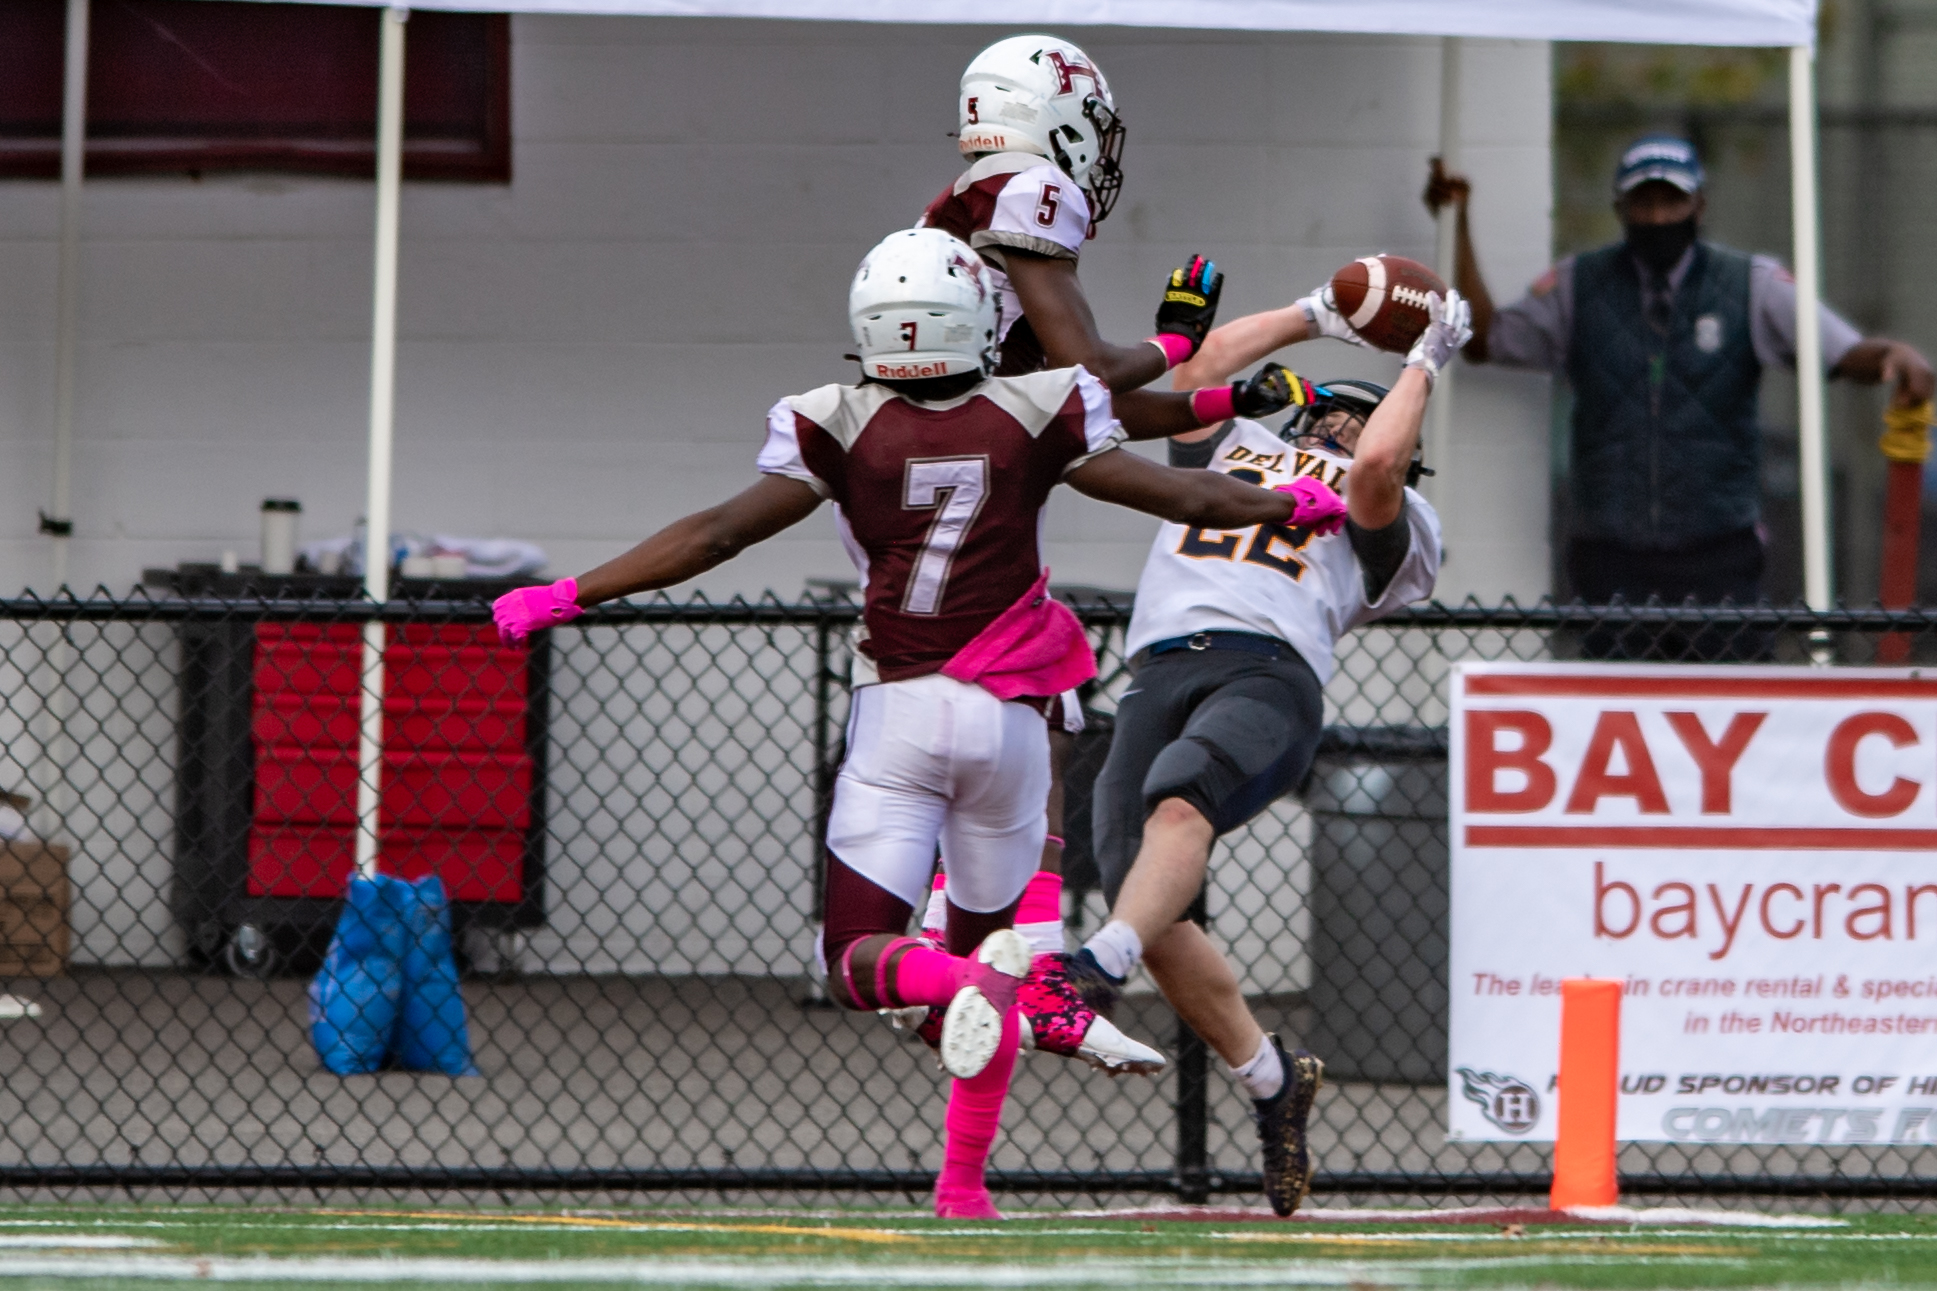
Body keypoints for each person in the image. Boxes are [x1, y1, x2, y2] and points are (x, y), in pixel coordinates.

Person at [490, 227, 1339, 1220]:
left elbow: (715, 532)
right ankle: (962, 1183)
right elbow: (1174, 488)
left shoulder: (835, 422)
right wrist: (1281, 504)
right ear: (975, 320)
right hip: (1013, 728)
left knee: (853, 958)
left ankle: (971, 995)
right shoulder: (1036, 405)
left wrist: (571, 592)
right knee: (986, 969)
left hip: (901, 712)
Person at [906, 32, 1299, 1075]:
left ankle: (981, 962)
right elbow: (1086, 372)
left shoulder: (965, 208)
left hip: (946, 473)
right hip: (979, 486)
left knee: (1040, 715)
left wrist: (1217, 398)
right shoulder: (1031, 188)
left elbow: (1083, 407)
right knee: (1035, 710)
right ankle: (970, 964)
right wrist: (1177, 343)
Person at [1064, 287, 1470, 1217]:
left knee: (1179, 795)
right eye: (1326, 404)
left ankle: (1097, 967)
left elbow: (1373, 467)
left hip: (1266, 674)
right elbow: (1199, 372)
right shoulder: (1248, 446)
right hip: (1157, 672)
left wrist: (1424, 362)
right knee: (1141, 880)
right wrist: (1317, 308)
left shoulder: (1396, 506)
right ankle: (1267, 1077)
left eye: (1359, 411)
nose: (1338, 418)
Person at [1425, 135, 1934, 643]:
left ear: (1699, 205)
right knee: (1616, 705)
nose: (1659, 216)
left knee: (1724, 703)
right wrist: (1457, 225)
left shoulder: (1749, 285)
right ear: (1620, 208)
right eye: (1643, 202)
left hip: (1718, 553)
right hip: (1609, 554)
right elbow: (1488, 339)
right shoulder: (1580, 284)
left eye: (1672, 201)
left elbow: (1843, 353)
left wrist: (1893, 355)